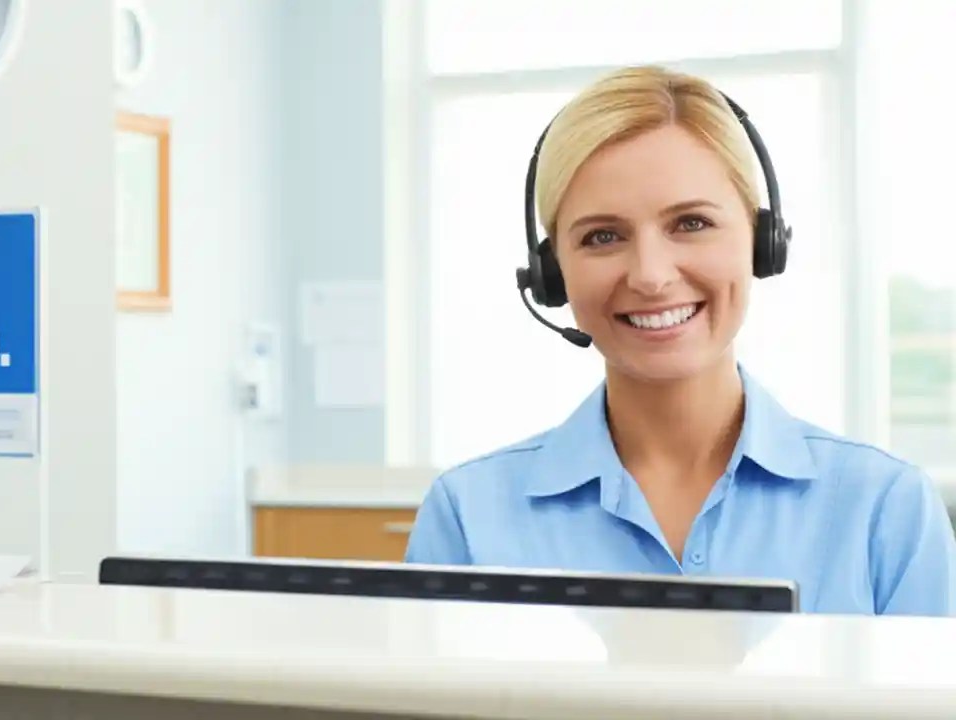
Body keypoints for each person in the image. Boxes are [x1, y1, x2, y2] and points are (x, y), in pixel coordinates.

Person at [404, 65, 956, 616]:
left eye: (690, 223)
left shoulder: (885, 510)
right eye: (602, 236)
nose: (650, 274)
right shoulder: (467, 519)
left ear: (763, 243)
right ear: (551, 274)